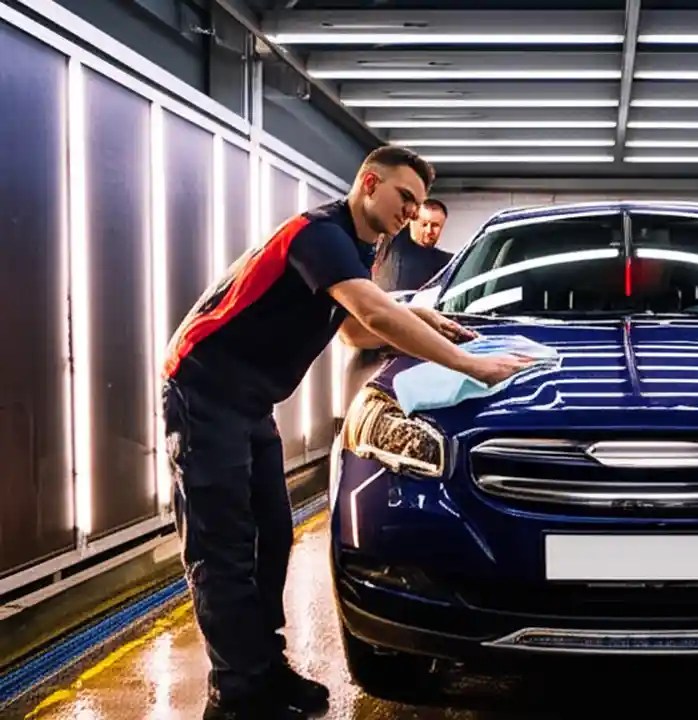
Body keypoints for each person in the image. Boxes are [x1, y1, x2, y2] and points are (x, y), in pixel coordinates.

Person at [162, 146, 534, 719]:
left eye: (416, 203)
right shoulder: (320, 233)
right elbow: (376, 318)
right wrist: (473, 366)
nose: (411, 212)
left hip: (249, 402)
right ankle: (237, 697)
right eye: (404, 198)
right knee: (225, 552)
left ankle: (265, 669)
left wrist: (421, 315)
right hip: (203, 394)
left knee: (271, 540)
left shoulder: (360, 246)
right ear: (368, 183)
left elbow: (354, 332)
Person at [372, 198, 453, 291]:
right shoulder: (391, 239)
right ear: (412, 220)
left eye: (435, 225)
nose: (429, 230)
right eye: (424, 224)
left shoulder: (445, 261)